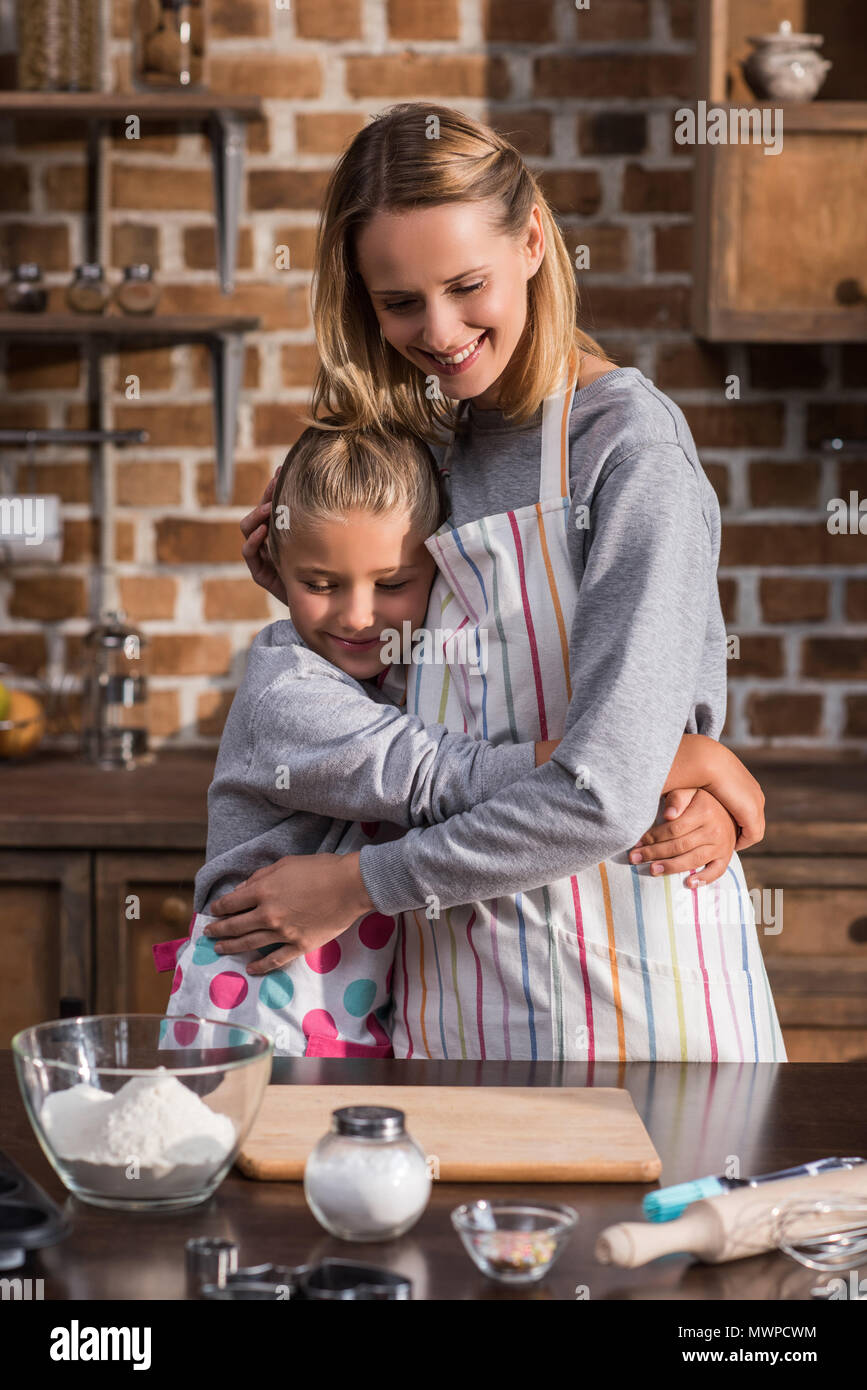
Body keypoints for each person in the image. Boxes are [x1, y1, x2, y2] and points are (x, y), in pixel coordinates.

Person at [203, 102, 785, 1062]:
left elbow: (601, 795)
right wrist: (313, 608)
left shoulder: (628, 454)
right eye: (398, 303)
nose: (438, 332)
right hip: (456, 1006)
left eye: (466, 284)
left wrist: (356, 887)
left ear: (534, 242)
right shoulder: (423, 446)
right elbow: (441, 716)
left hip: (636, 1008)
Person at [159, 421, 751, 1056]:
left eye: (391, 584)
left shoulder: (403, 666)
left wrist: (696, 804)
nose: (357, 614)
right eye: (320, 584)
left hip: (352, 1006)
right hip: (256, 999)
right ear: (273, 565)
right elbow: (445, 779)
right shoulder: (288, 695)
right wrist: (676, 759)